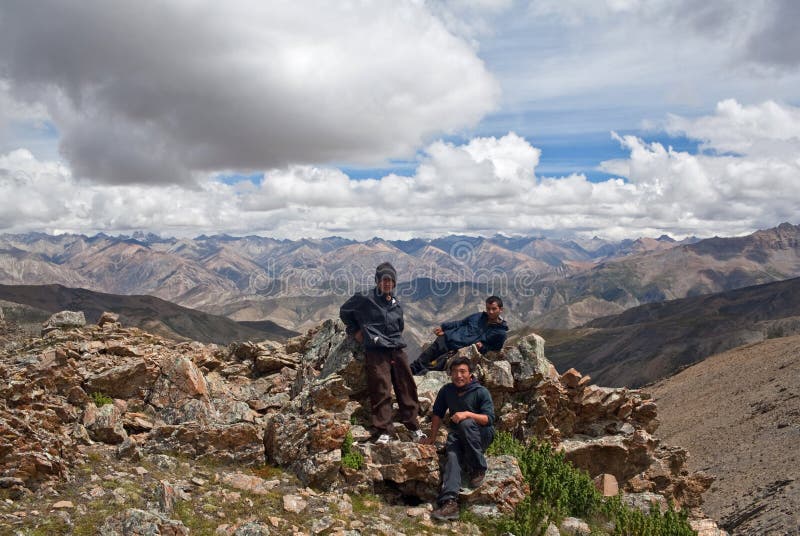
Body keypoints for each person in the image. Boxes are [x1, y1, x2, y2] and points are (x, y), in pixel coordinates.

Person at [339, 262, 425, 444]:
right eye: (384, 280)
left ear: (394, 283)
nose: (387, 283)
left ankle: (413, 425)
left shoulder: (395, 303)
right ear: (377, 281)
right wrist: (355, 330)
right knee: (381, 387)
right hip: (376, 349)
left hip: (396, 347)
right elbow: (345, 312)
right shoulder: (365, 298)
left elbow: (399, 325)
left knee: (406, 385)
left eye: (390, 280)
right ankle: (384, 429)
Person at [424, 356, 495, 521]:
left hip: (481, 434)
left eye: (462, 371)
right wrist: (432, 438)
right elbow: (437, 413)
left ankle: (478, 468)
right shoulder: (447, 391)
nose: (458, 376)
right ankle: (450, 502)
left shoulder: (481, 392)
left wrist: (467, 414)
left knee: (465, 423)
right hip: (459, 436)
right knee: (452, 457)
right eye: (455, 372)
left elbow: (489, 419)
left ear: (470, 374)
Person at [410, 295, 508, 375]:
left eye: (494, 309)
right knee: (422, 360)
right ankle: (406, 375)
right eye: (488, 308)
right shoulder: (478, 316)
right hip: (446, 339)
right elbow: (460, 323)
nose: (490, 312)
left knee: (432, 369)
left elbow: (495, 348)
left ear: (501, 309)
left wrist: (483, 347)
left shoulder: (500, 332)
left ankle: (415, 383)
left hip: (456, 352)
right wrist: (444, 327)